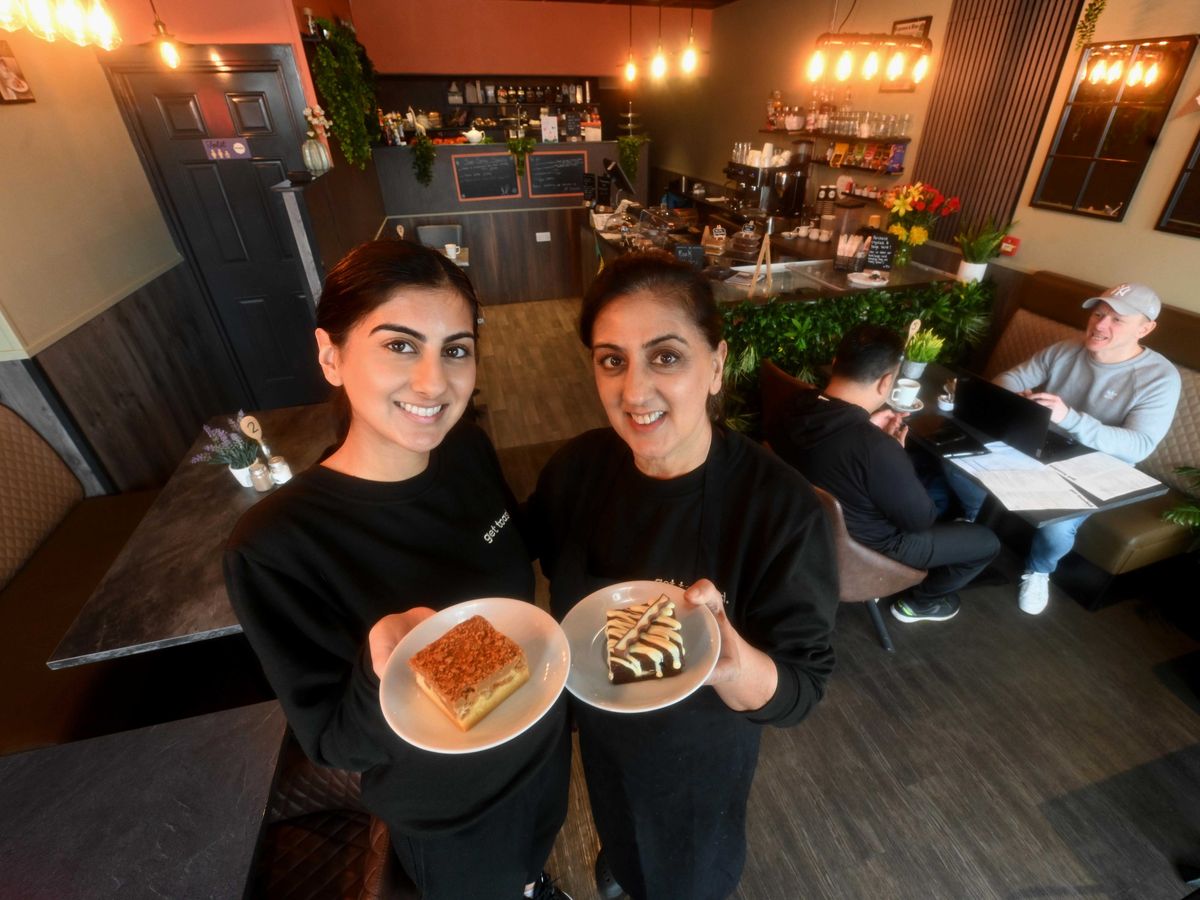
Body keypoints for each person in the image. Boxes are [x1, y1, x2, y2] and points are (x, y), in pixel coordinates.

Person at [223, 241, 572, 900]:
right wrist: (378, 666)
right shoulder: (275, 545)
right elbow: (333, 742)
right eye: (401, 345)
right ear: (331, 354)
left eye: (457, 349)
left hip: (543, 753)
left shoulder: (466, 449)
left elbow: (509, 548)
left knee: (531, 874)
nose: (434, 383)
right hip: (450, 815)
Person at [526, 251, 839, 900]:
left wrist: (731, 662)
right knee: (622, 843)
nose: (634, 392)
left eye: (666, 356)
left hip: (700, 761)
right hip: (604, 743)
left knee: (686, 878)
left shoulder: (778, 509)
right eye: (612, 360)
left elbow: (800, 690)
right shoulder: (576, 472)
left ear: (717, 365)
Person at [948, 281, 1181, 615]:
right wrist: (1017, 401)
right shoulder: (1067, 347)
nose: (1100, 325)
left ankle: (1039, 570)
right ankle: (970, 521)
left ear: (1145, 328)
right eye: (1099, 314)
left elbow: (1138, 446)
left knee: (1058, 526)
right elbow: (1009, 379)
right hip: (1043, 443)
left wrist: (1070, 417)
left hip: (1098, 463)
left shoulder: (1160, 377)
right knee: (957, 461)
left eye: (1117, 320)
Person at [772, 323, 1000, 623]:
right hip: (870, 547)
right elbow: (920, 521)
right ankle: (921, 603)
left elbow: (843, 443)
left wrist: (868, 428)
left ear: (836, 363)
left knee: (932, 484)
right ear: (886, 382)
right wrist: (894, 452)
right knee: (986, 542)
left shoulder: (794, 402)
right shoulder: (876, 449)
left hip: (803, 525)